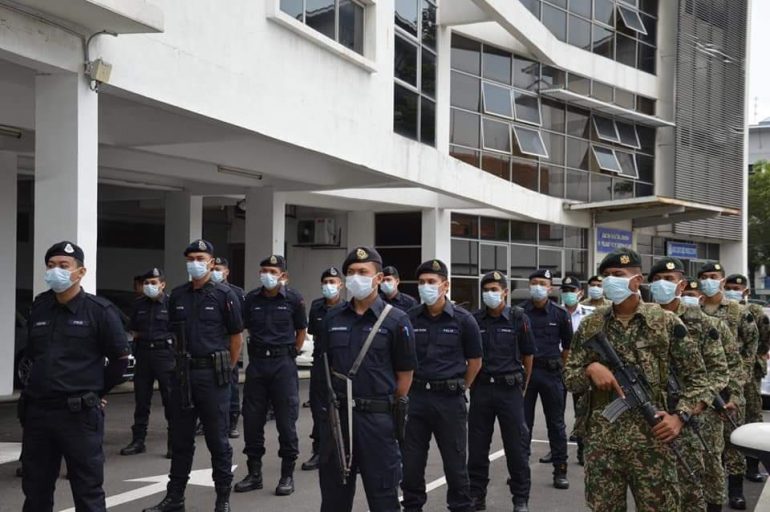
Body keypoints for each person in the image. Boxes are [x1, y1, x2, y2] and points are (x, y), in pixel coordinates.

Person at [564, 248, 710, 511]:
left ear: (636, 280)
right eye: (606, 275)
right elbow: (569, 378)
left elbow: (700, 380)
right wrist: (590, 370)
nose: (610, 280)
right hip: (602, 444)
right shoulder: (591, 325)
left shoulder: (665, 323)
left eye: (618, 274)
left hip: (653, 441)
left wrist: (680, 417)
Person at [20, 241, 130, 511]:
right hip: (39, 413)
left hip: (78, 415)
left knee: (87, 490)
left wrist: (97, 392)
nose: (55, 271)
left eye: (63, 266)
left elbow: (119, 361)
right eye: (51, 265)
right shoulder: (40, 307)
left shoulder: (99, 311)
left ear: (80, 272)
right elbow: (34, 355)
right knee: (35, 489)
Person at [143, 239, 244, 512]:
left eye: (200, 258)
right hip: (183, 375)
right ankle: (175, 497)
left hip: (213, 376)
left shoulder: (225, 296)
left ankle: (222, 498)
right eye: (190, 258)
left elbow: (236, 337)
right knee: (181, 439)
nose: (195, 263)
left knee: (217, 441)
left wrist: (227, 367)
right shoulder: (177, 295)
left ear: (211, 262)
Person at [315, 246, 416, 512]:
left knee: (383, 499)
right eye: (351, 272)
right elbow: (323, 367)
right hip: (338, 422)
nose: (355, 277)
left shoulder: (397, 320)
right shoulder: (331, 319)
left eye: (363, 272)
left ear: (379, 278)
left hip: (377, 421)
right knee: (334, 499)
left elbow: (405, 375)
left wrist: (387, 407)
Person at [649, 259, 730, 512]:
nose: (663, 283)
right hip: (651, 415)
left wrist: (692, 406)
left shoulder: (704, 324)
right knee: (653, 488)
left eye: (670, 279)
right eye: (658, 278)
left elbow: (719, 372)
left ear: (681, 285)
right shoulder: (640, 321)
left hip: (695, 416)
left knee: (695, 484)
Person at [401, 259, 483, 512]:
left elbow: (475, 362)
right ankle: (412, 506)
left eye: (431, 282)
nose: (426, 286)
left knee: (455, 461)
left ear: (445, 285)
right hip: (416, 399)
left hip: (450, 400)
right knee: (412, 462)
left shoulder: (464, 319)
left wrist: (460, 387)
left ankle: (459, 506)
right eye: (422, 282)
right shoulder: (409, 318)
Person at [235, 255, 307, 496]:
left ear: (283, 276)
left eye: (272, 271)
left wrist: (290, 353)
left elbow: (301, 331)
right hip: (257, 365)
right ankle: (254, 473)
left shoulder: (294, 299)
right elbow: (241, 328)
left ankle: (287, 475)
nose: (267, 275)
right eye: (264, 270)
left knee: (286, 422)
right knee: (253, 420)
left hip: (282, 365)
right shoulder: (251, 299)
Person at [468, 271, 534, 512]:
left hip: (510, 391)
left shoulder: (518, 318)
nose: (490, 294)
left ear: (505, 292)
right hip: (482, 390)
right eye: (486, 290)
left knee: (516, 447)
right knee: (477, 448)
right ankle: (477, 495)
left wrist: (522, 386)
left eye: (495, 289)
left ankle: (520, 498)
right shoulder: (475, 319)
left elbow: (528, 355)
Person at [698, 262, 759, 510]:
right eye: (704, 277)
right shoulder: (695, 309)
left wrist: (739, 380)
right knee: (705, 444)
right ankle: (706, 490)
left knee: (733, 441)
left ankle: (735, 491)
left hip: (731, 386)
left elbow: (751, 345)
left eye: (713, 276)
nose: (708, 281)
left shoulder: (736, 311)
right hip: (703, 385)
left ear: (722, 280)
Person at [521, 269, 572, 489]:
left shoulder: (560, 314)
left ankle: (560, 470)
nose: (538, 287)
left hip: (552, 374)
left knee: (556, 425)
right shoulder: (519, 312)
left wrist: (561, 370)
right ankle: (520, 471)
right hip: (526, 375)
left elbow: (567, 348)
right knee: (523, 425)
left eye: (542, 283)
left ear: (550, 288)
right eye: (534, 283)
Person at [121, 268, 175, 459]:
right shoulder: (138, 305)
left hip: (165, 355)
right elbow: (133, 329)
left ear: (162, 284)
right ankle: (138, 440)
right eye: (146, 283)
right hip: (143, 354)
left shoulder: (171, 304)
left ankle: (173, 442)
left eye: (153, 283)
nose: (149, 286)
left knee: (170, 400)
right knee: (141, 400)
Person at [724, 273, 770, 483]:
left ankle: (752, 466)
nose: (733, 290)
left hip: (750, 373)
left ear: (746, 291)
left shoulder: (755, 311)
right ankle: (730, 464)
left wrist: (759, 354)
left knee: (752, 415)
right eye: (730, 286)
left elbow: (764, 336)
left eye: (737, 287)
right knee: (730, 417)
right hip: (727, 372)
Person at [302, 266, 345, 471]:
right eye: (326, 282)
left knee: (340, 408)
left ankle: (342, 449)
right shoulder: (316, 307)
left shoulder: (347, 309)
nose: (329, 286)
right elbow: (314, 333)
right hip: (320, 363)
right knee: (319, 409)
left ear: (340, 285)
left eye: (333, 282)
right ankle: (318, 450)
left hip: (339, 365)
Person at [560, 276, 593, 466]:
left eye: (572, 290)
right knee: (557, 412)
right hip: (558, 366)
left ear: (580, 293)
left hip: (580, 368)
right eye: (565, 290)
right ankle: (558, 452)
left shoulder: (590, 314)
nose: (568, 294)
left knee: (581, 410)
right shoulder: (556, 313)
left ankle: (582, 449)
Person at [211, 257, 245, 439]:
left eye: (219, 269)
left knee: (230, 385)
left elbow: (241, 324)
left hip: (228, 344)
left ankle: (232, 421)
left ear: (226, 272)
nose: (215, 272)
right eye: (213, 268)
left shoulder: (236, 293)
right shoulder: (206, 291)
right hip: (211, 344)